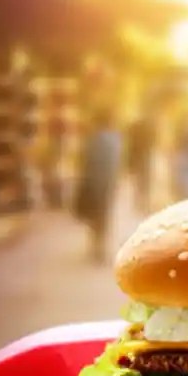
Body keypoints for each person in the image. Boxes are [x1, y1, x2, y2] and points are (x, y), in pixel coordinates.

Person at [75, 108, 122, 263]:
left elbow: (85, 161)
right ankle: (100, 247)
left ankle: (96, 246)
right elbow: (118, 163)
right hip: (108, 182)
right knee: (105, 216)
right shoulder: (116, 139)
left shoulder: (93, 139)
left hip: (94, 181)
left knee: (95, 215)